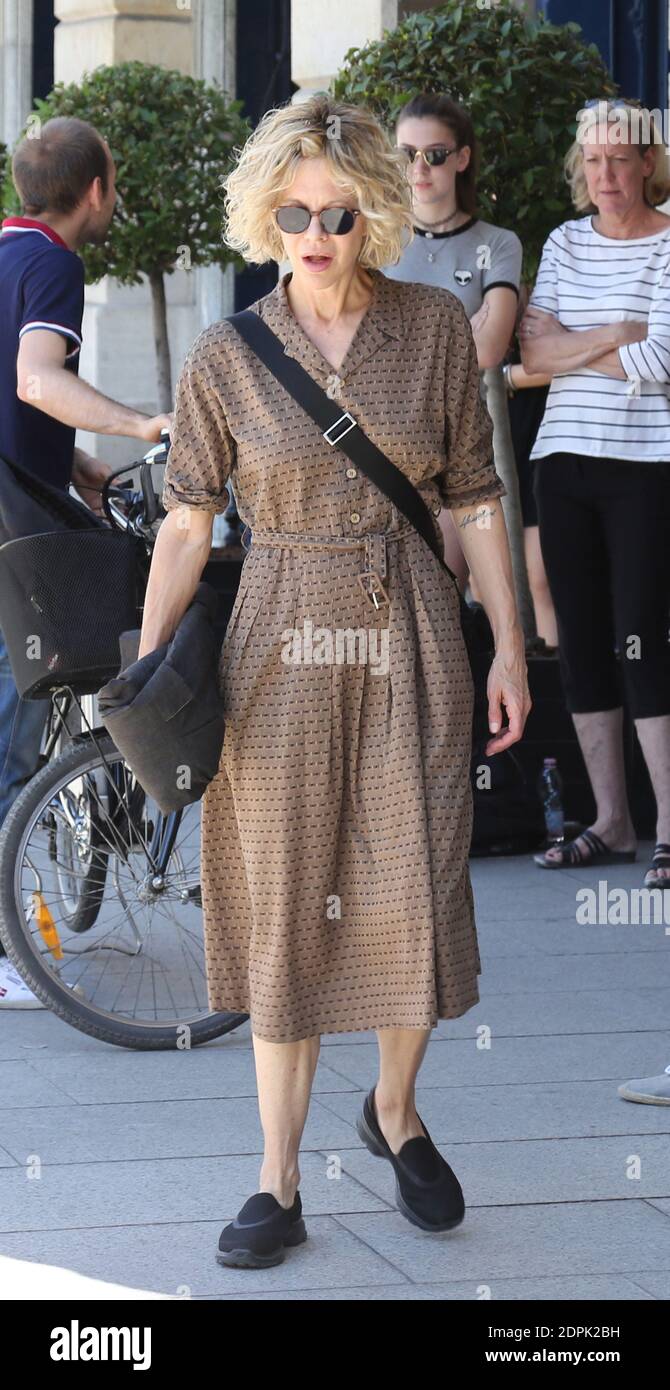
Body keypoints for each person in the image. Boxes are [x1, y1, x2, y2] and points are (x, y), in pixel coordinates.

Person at [140, 93, 530, 1268]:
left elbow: (473, 496)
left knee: (412, 879)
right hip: (278, 646)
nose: (318, 232)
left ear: (378, 216)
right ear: (267, 217)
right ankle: (276, 1179)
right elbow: (188, 521)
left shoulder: (430, 335)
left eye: (341, 213)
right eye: (296, 211)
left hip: (412, 628)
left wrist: (509, 645)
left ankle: (396, 1110)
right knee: (288, 904)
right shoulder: (227, 354)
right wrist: (144, 671)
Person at [0, 116, 171, 1006]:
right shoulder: (52, 263)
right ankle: (4, 952)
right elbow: (34, 380)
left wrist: (83, 467)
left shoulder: (4, 251)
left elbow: (12, 407)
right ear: (96, 190)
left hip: (16, 508)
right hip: (9, 538)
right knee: (11, 735)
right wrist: (143, 425)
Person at [519, 98, 670, 890]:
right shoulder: (563, 241)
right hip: (562, 463)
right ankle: (612, 824)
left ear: (648, 162)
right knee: (579, 640)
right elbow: (530, 356)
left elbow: (664, 362)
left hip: (646, 464)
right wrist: (617, 332)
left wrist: (572, 347)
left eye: (620, 159)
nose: (605, 174)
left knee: (643, 635)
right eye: (593, 160)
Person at [383, 92, 522, 595]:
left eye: (435, 154)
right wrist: (465, 324)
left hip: (458, 448)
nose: (420, 168)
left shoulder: (498, 242)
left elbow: (489, 350)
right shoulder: (377, 240)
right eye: (406, 154)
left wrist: (409, 343)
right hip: (376, 439)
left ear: (461, 158)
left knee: (442, 589)